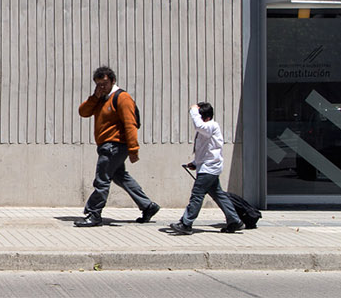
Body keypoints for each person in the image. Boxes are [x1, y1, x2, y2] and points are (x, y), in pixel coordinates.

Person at [74, 64, 159, 227]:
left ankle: (94, 213)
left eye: (104, 83)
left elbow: (130, 124)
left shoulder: (122, 98)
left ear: (113, 81)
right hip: (107, 145)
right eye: (98, 84)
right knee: (121, 177)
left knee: (102, 179)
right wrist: (94, 97)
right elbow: (83, 112)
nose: (101, 87)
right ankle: (148, 206)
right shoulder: (100, 98)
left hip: (114, 146)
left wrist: (134, 149)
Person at [167, 101, 242, 235]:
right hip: (208, 167)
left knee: (197, 195)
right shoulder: (207, 128)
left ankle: (186, 223)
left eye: (199, 116)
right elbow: (206, 150)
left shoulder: (211, 126)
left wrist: (194, 111)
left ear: (206, 117)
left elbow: (199, 126)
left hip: (209, 168)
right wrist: (195, 163)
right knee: (219, 195)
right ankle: (234, 220)